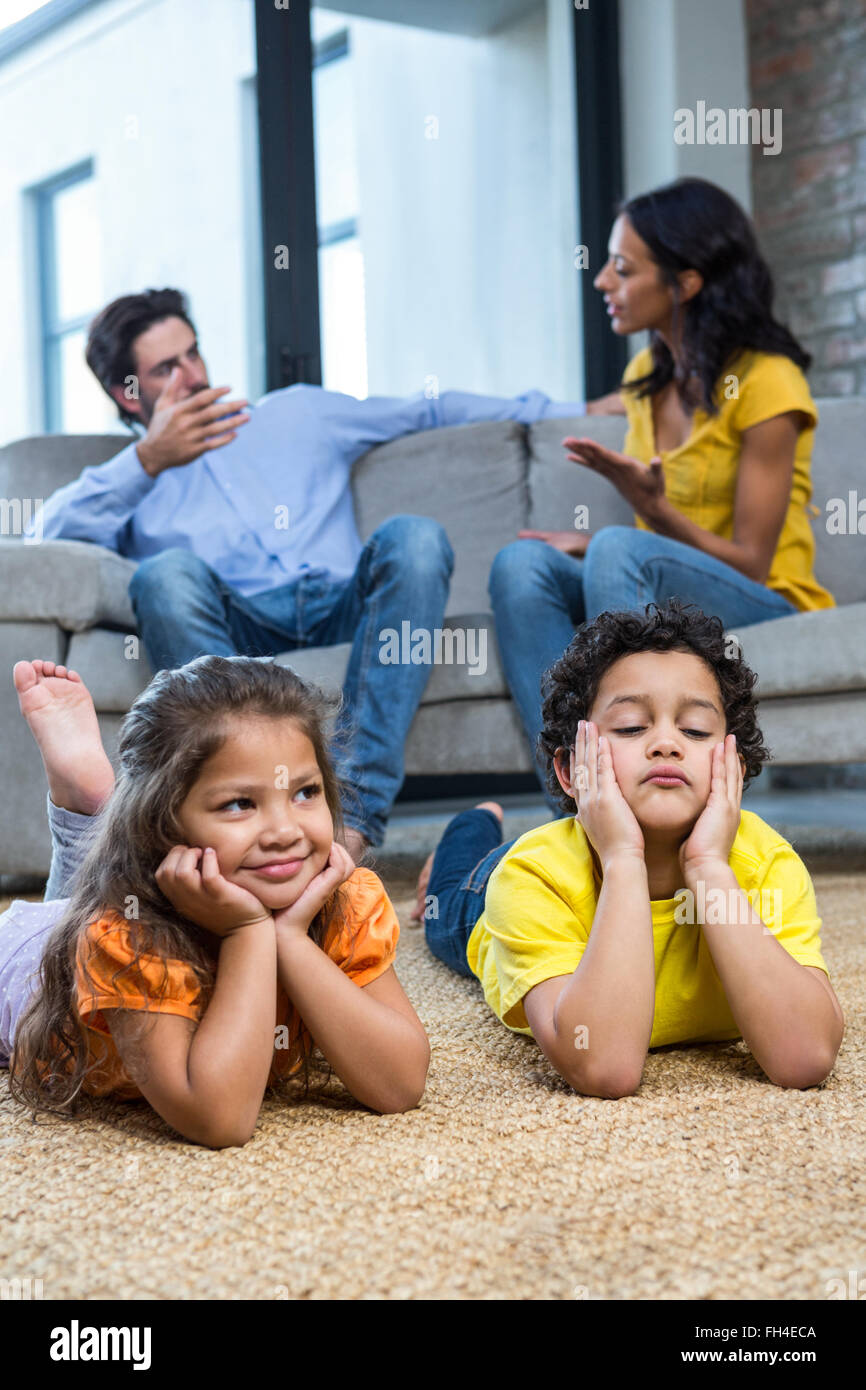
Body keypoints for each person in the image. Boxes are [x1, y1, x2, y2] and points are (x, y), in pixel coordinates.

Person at [30, 290, 619, 860]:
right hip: (238, 627)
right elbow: (43, 540)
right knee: (164, 573)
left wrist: (577, 411)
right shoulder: (128, 482)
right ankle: (245, 802)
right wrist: (148, 461)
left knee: (414, 538)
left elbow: (429, 407)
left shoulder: (297, 412)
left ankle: (354, 821)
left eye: (193, 354)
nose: (192, 376)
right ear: (127, 394)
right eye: (165, 369)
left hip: (342, 603)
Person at [490, 177, 834, 799]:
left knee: (620, 548)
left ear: (687, 282)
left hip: (767, 597)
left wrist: (649, 512)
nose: (602, 283)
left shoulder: (767, 382)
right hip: (667, 589)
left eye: (623, 269)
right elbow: (650, 549)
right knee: (522, 565)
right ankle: (575, 806)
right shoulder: (647, 374)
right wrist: (591, 544)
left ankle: (633, 798)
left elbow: (751, 563)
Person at [2, 655, 430, 1148]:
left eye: (305, 792)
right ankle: (84, 811)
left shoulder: (342, 901)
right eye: (238, 804)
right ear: (160, 825)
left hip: (129, 891)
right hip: (26, 965)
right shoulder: (126, 937)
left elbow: (400, 1084)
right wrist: (248, 931)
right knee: (76, 912)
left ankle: (89, 812)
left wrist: (289, 937)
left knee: (93, 888)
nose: (286, 831)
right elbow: (220, 1119)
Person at [421, 601, 844, 1097]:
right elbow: (604, 1067)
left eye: (694, 730)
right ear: (570, 770)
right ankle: (473, 823)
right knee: (446, 901)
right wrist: (623, 860)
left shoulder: (767, 864)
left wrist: (708, 867)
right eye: (629, 728)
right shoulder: (530, 878)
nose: (666, 743)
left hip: (599, 845)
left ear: (736, 765)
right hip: (492, 891)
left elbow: (805, 1056)